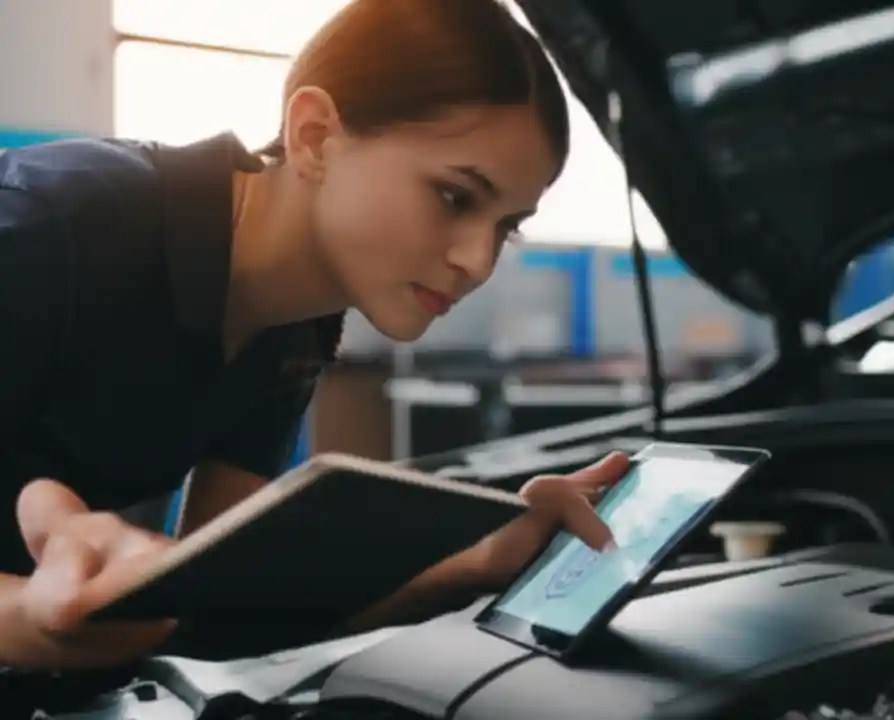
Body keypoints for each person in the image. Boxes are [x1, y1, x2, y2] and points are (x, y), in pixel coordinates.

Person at [0, 0, 627, 670]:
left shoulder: (292, 326)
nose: (478, 261)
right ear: (314, 134)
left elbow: (224, 610)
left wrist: (477, 562)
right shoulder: (52, 229)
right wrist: (31, 625)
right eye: (454, 197)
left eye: (508, 226)